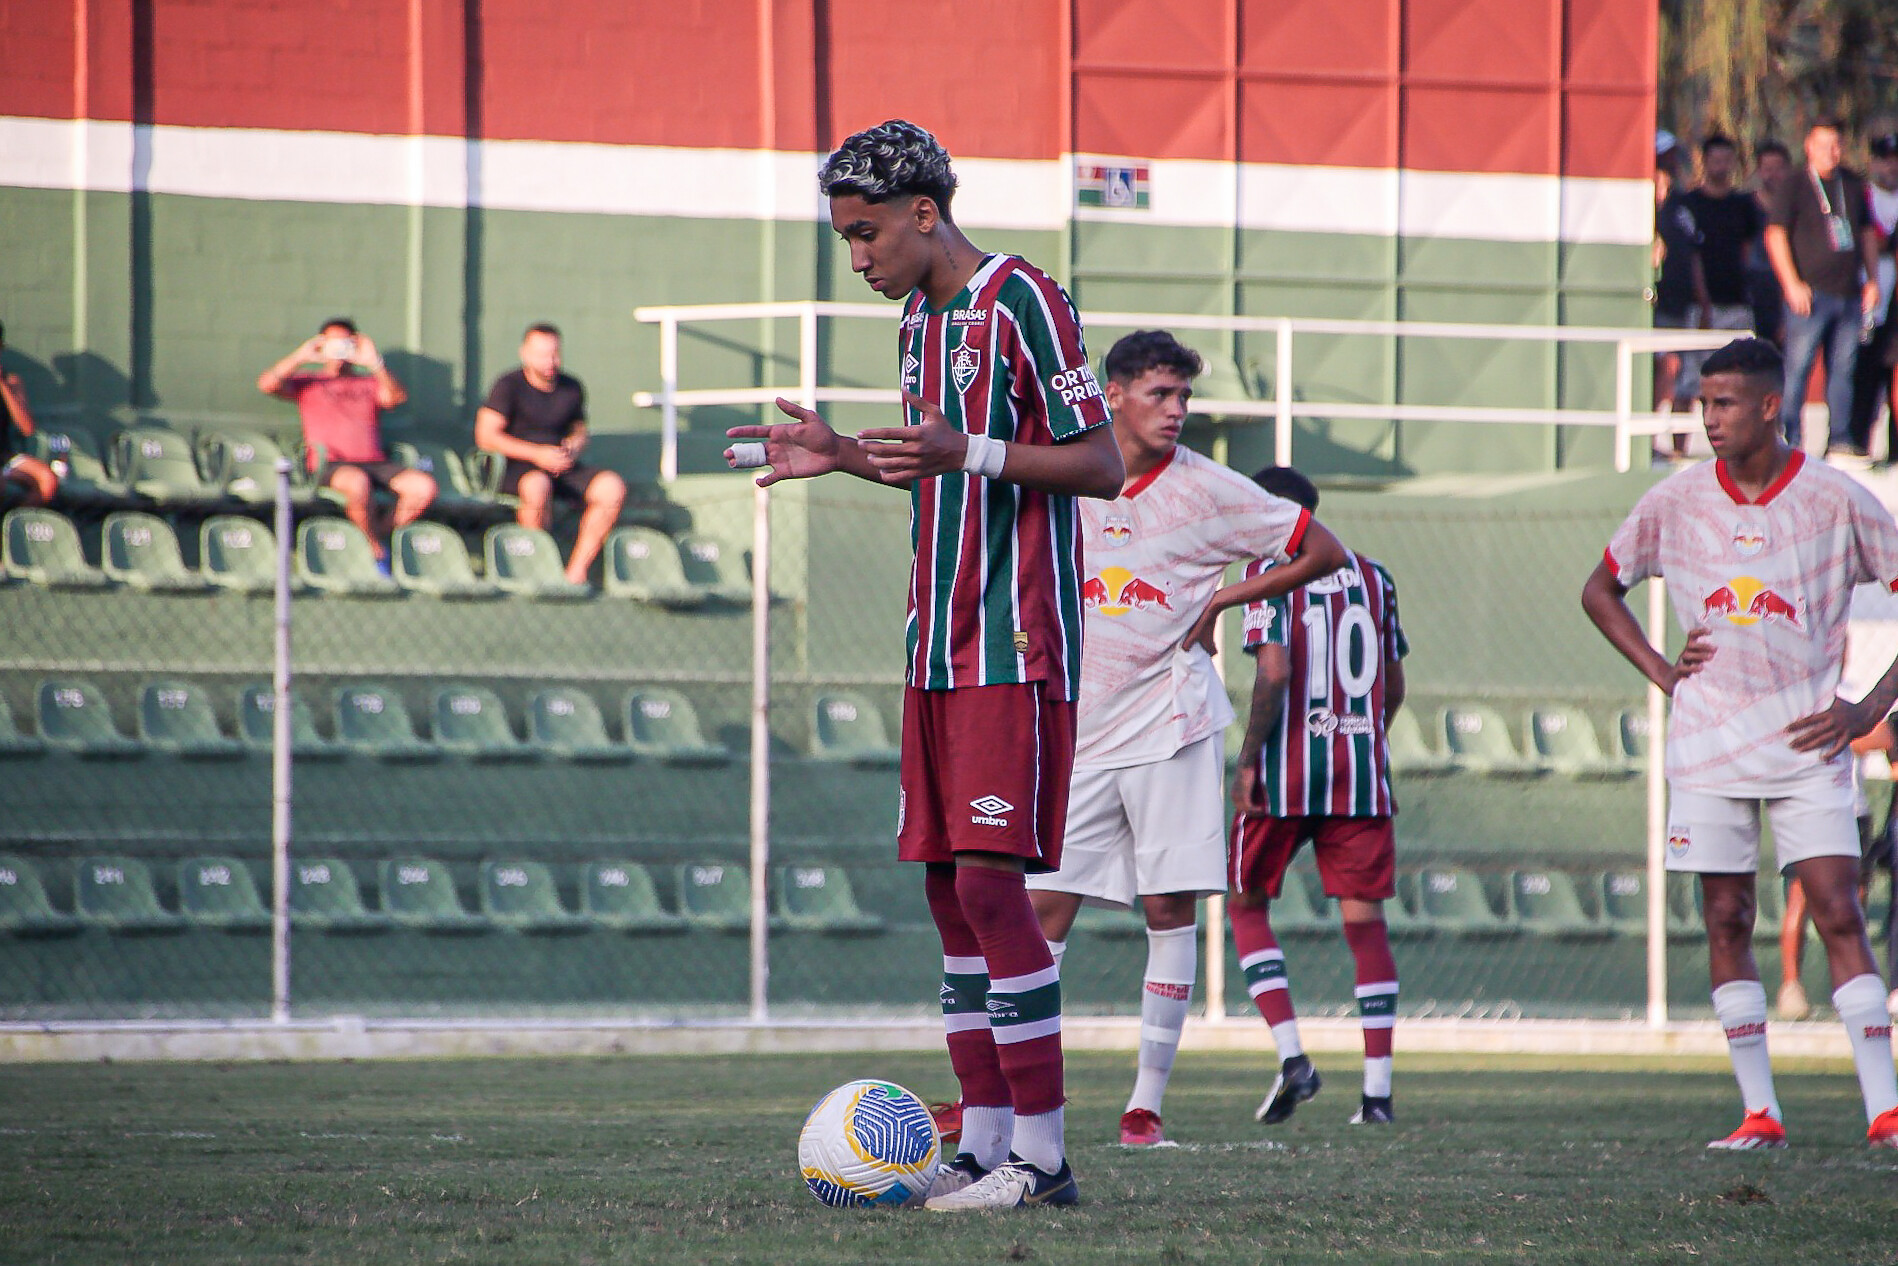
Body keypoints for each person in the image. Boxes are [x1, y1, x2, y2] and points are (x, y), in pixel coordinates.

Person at [724, 119, 1126, 1211]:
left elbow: (1100, 463)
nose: (857, 260)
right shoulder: (916, 321)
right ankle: (981, 1145)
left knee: (996, 887)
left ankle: (1042, 1163)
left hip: (1012, 639)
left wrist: (969, 448)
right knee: (951, 897)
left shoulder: (1020, 299)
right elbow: (934, 473)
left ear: (920, 212)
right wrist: (848, 455)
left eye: (865, 237)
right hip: (933, 646)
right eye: (843, 242)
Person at [1023, 330, 1345, 1147]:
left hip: (1172, 724)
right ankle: (1003, 1097)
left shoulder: (1212, 489)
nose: (1176, 411)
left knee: (1167, 912)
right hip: (1081, 728)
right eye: (1160, 395)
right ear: (1115, 394)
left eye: (1184, 397)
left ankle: (1145, 1107)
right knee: (1038, 914)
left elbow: (1322, 549)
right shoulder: (1067, 471)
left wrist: (1225, 600)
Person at [1582, 336, 1898, 1151]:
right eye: (1701, 404)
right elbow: (1600, 588)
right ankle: (1761, 1113)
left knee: (1838, 911)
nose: (1708, 419)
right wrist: (1663, 672)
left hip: (1808, 743)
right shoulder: (1676, 500)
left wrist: (1867, 709)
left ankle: (1886, 1111)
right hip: (1708, 748)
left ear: (1769, 405)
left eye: (1723, 404)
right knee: (1725, 917)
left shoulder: (1838, 498)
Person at [1229, 465, 1409, 1128]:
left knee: (1247, 906)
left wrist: (1249, 762)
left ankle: (1293, 1057)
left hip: (1285, 772)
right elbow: (1393, 688)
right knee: (1365, 926)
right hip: (1358, 774)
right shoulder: (1374, 576)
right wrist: (1357, 742)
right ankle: (1378, 1098)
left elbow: (1273, 673)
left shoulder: (1268, 571)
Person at [257, 319, 434, 561]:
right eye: (332, 343)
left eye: (345, 344)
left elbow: (396, 398)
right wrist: (301, 356)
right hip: (330, 464)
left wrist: (374, 362)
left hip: (375, 462)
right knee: (358, 484)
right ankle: (375, 553)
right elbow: (267, 384)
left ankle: (378, 537)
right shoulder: (308, 382)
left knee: (423, 488)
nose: (338, 351)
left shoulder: (370, 382)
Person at [475, 324, 626, 585]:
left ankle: (576, 573)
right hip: (516, 466)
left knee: (611, 487)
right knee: (537, 485)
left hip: (562, 466)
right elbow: (486, 437)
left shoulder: (572, 387)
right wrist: (537, 454)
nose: (550, 361)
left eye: (555, 354)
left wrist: (574, 446)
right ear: (525, 354)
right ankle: (536, 569)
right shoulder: (507, 386)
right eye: (543, 354)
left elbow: (579, 430)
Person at [1764, 121, 1882, 454]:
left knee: (1843, 370)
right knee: (1798, 368)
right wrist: (1791, 283)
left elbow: (1867, 235)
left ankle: (1840, 439)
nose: (1831, 152)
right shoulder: (1794, 184)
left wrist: (1871, 280)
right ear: (1808, 146)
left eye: (1836, 145)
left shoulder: (1853, 184)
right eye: (1823, 144)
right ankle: (1789, 438)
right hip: (1809, 294)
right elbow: (1775, 235)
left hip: (1848, 294)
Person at [1681, 135, 1767, 401]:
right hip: (1699, 307)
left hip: (1738, 304)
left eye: (1726, 160)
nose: (1721, 166)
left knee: (1738, 382)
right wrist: (1703, 301)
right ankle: (1678, 445)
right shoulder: (1690, 205)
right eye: (1715, 160)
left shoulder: (1744, 206)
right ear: (1704, 162)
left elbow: (1749, 250)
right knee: (1690, 382)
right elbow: (1689, 255)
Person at [1846, 132, 1898, 460]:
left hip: (1894, 304)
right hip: (1863, 299)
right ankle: (1855, 443)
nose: (1892, 166)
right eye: (1886, 159)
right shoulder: (1861, 198)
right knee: (1861, 375)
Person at [1653, 136, 1701, 427]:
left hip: (1684, 304)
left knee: (1686, 375)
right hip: (1657, 305)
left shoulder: (1681, 205)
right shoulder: (1642, 207)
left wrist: (1702, 298)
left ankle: (1678, 446)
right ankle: (1649, 439)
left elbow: (1693, 256)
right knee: (1664, 367)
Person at [0, 321, 58, 506]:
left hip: (5, 456)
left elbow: (27, 428)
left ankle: (18, 526)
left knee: (47, 479)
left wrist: (3, 386)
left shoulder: (12, 381)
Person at [1746, 140, 1793, 346]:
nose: (1773, 175)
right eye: (1767, 169)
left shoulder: (1797, 207)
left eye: (1779, 169)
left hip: (1786, 291)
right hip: (1752, 292)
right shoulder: (1745, 205)